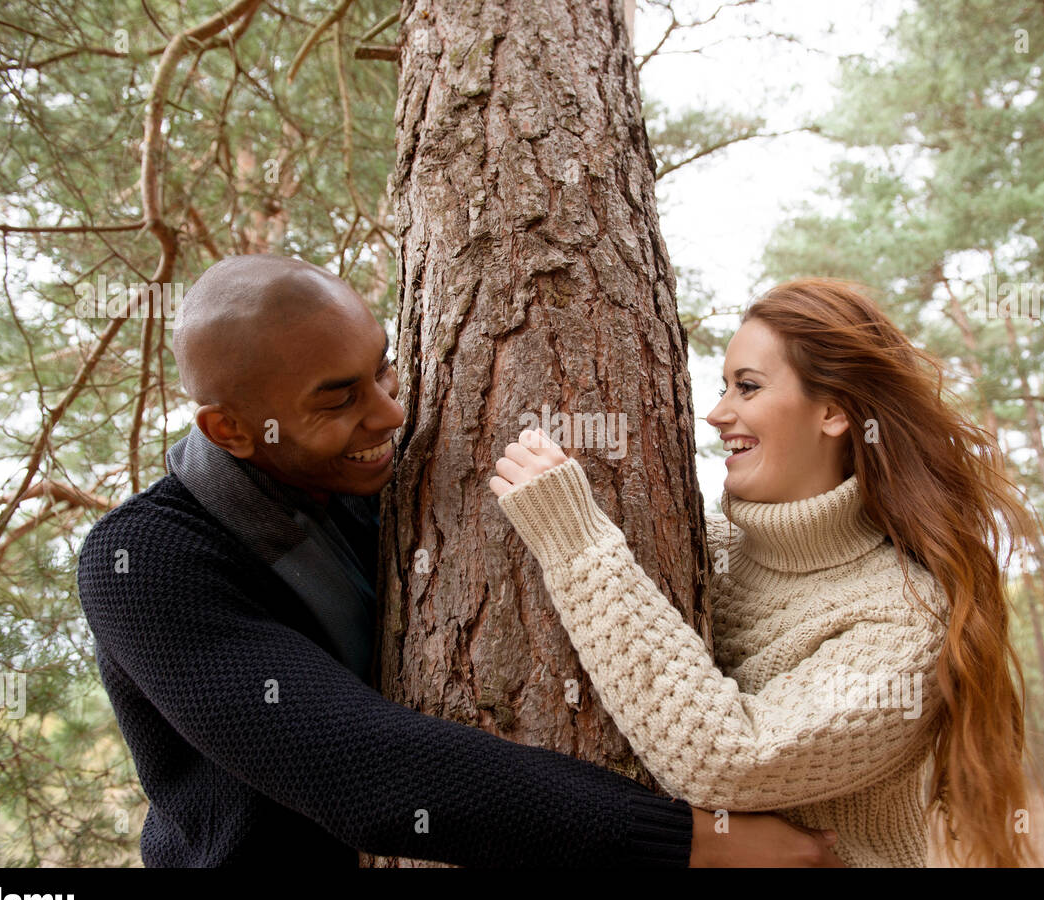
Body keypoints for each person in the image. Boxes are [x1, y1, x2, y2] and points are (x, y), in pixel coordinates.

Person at [76, 253, 844, 868]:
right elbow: (358, 765)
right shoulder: (145, 559)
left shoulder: (376, 482)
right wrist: (688, 840)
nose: (389, 413)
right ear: (231, 429)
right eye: (338, 400)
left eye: (383, 369)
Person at [491, 277, 1038, 867]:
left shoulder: (905, 614)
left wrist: (576, 541)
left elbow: (728, 759)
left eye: (747, 388)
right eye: (724, 387)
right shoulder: (710, 545)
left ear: (833, 412)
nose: (717, 413)